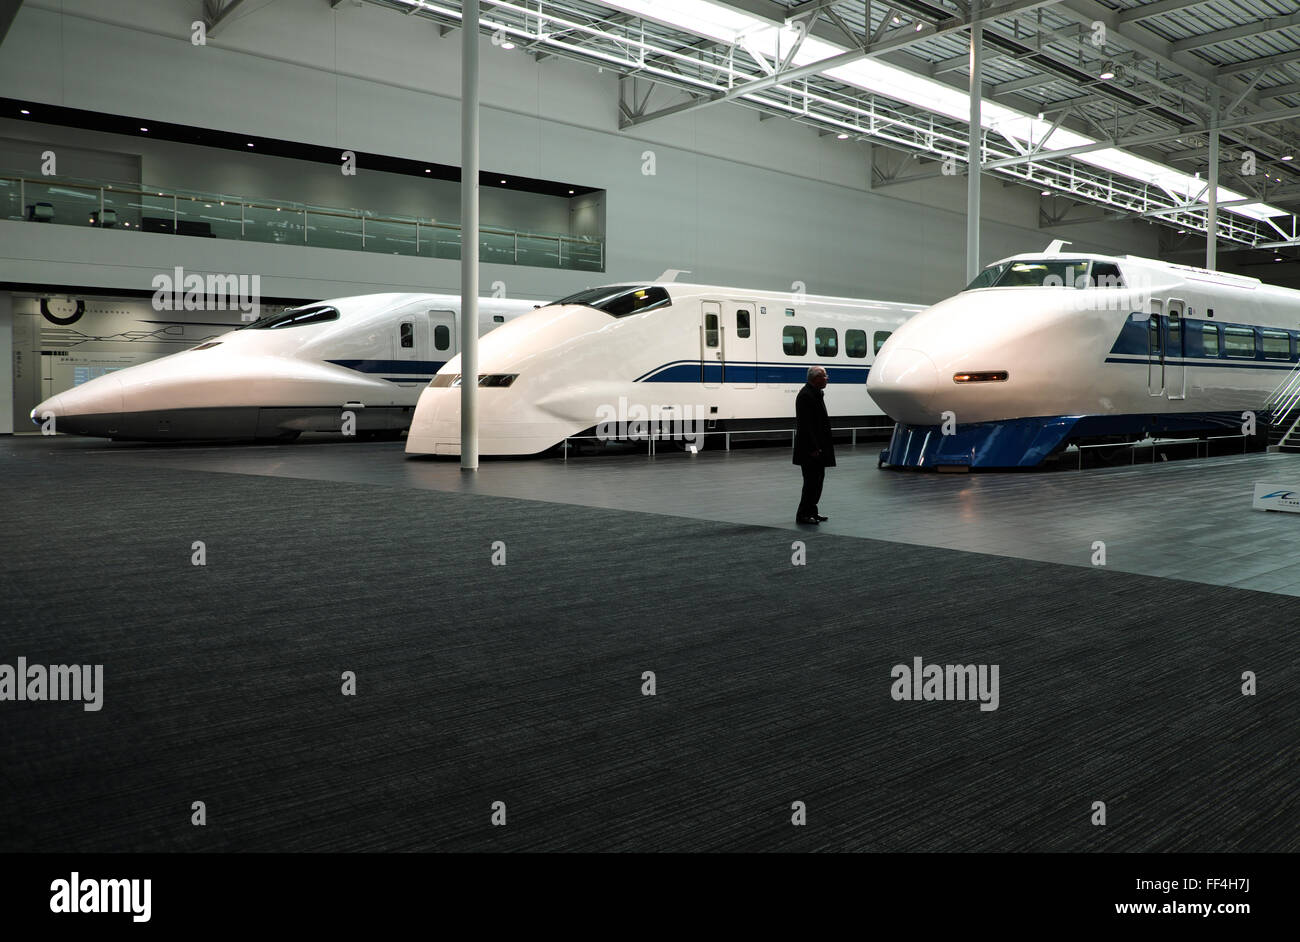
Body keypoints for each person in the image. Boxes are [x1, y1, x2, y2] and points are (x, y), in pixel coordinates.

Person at [793, 365, 835, 524]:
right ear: (816, 378)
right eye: (824, 376)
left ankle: (811, 511)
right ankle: (803, 514)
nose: (827, 378)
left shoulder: (814, 394)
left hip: (818, 448)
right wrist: (814, 448)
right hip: (811, 450)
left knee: (817, 481)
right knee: (811, 482)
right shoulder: (806, 396)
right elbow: (805, 426)